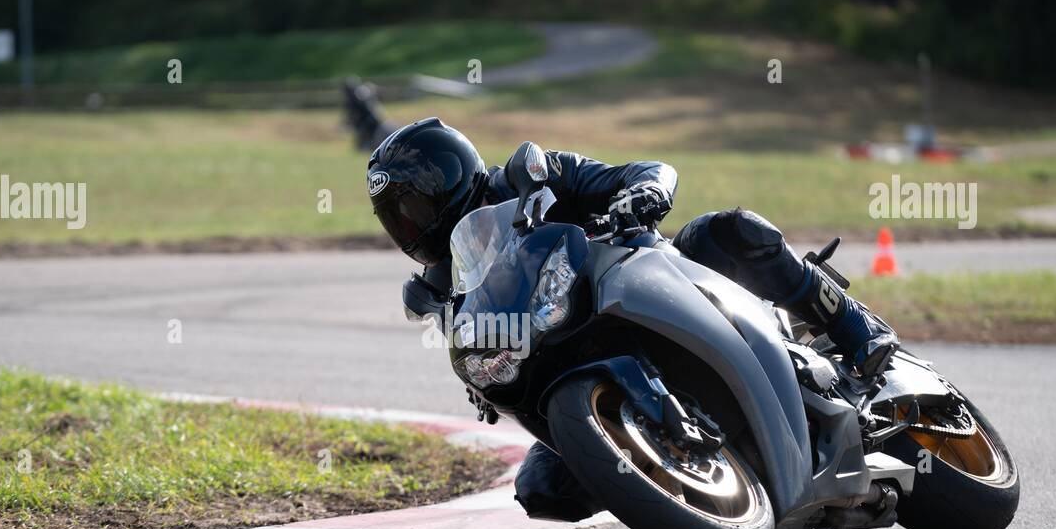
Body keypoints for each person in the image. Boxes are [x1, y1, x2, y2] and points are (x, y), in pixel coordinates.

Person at [364, 116, 899, 377]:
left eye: (413, 209)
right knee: (543, 489)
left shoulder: (534, 173)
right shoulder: (443, 282)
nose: (409, 228)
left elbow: (646, 170)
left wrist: (643, 194)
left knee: (731, 230)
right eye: (396, 219)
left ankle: (854, 327)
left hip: (657, 281)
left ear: (448, 181)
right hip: (575, 358)